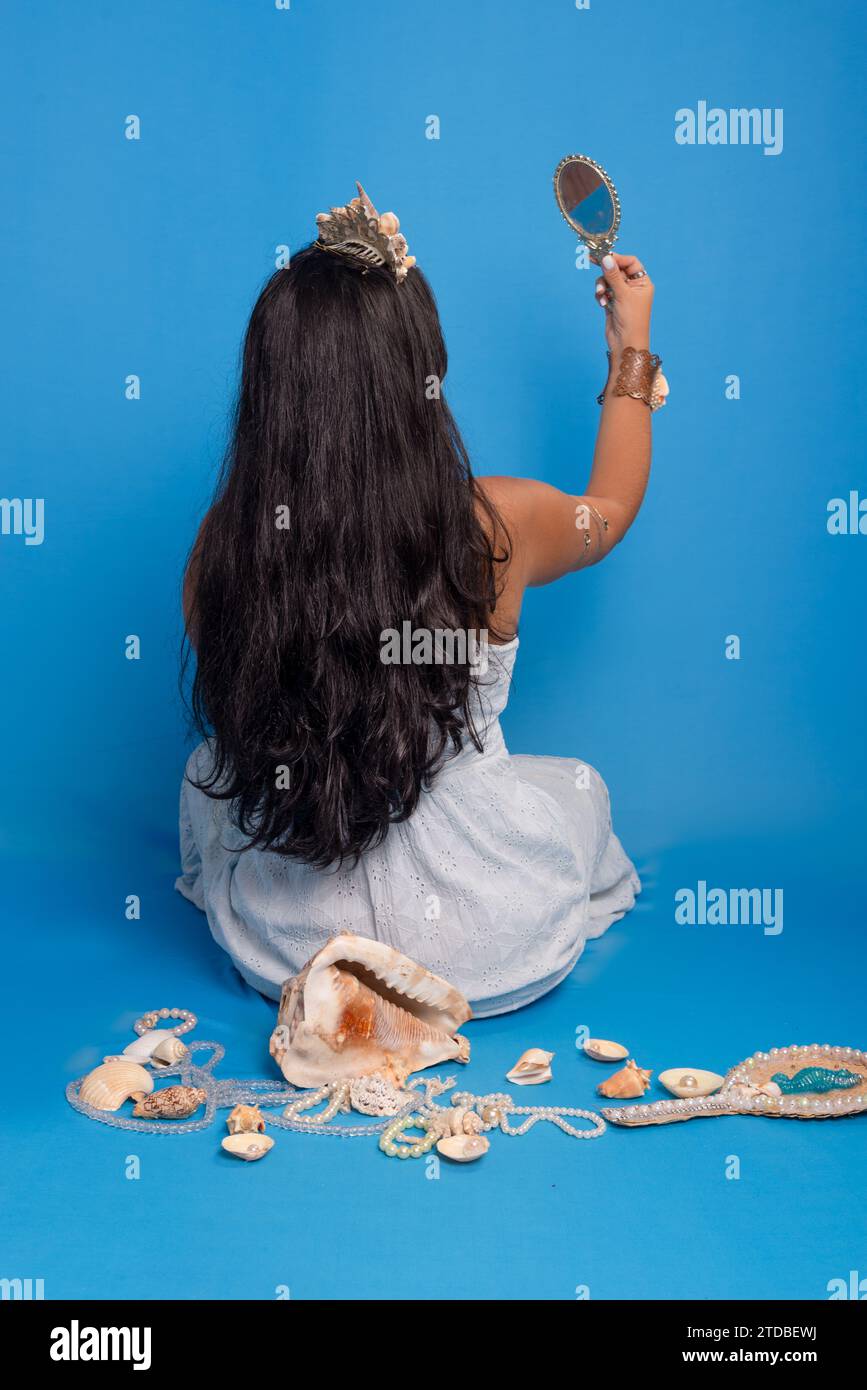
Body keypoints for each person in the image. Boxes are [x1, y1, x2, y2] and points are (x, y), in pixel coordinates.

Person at [177, 185, 661, 1015]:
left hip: (297, 952)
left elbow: (245, 721)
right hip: (491, 939)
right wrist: (630, 345)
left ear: (270, 390)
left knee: (204, 776)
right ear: (420, 375)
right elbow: (608, 512)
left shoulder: (225, 545)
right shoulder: (495, 525)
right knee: (577, 788)